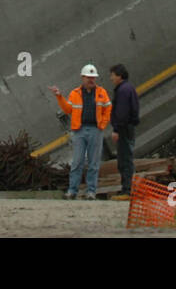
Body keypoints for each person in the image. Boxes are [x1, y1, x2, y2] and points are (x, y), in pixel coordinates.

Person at [50, 64, 112, 200]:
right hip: (79, 130)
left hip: (96, 130)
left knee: (93, 163)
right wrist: (59, 97)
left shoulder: (102, 93)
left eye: (93, 78)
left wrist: (103, 123)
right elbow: (68, 109)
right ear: (82, 78)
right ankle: (72, 191)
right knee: (77, 162)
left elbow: (108, 108)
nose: (91, 80)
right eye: (89, 77)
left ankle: (91, 191)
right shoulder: (75, 93)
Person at [109, 64, 139, 199]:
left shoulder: (122, 91)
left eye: (113, 75)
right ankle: (127, 188)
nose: (111, 78)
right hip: (129, 128)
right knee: (127, 158)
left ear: (119, 76)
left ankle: (126, 190)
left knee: (124, 160)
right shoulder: (129, 88)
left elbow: (121, 113)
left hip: (123, 129)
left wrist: (116, 129)